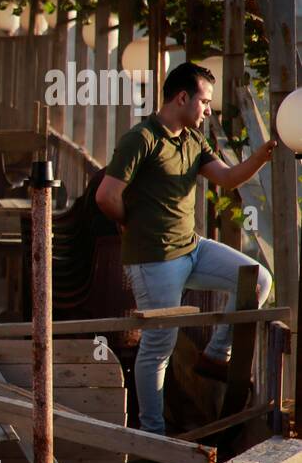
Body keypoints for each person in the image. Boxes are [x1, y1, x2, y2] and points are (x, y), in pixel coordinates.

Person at [96, 63, 277, 435]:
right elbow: (106, 196)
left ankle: (214, 355)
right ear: (182, 98)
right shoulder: (141, 139)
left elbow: (227, 178)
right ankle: (153, 434)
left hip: (191, 248)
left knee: (257, 280)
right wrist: (132, 222)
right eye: (205, 101)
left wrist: (262, 155)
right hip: (154, 259)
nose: (209, 110)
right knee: (159, 344)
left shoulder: (193, 140)